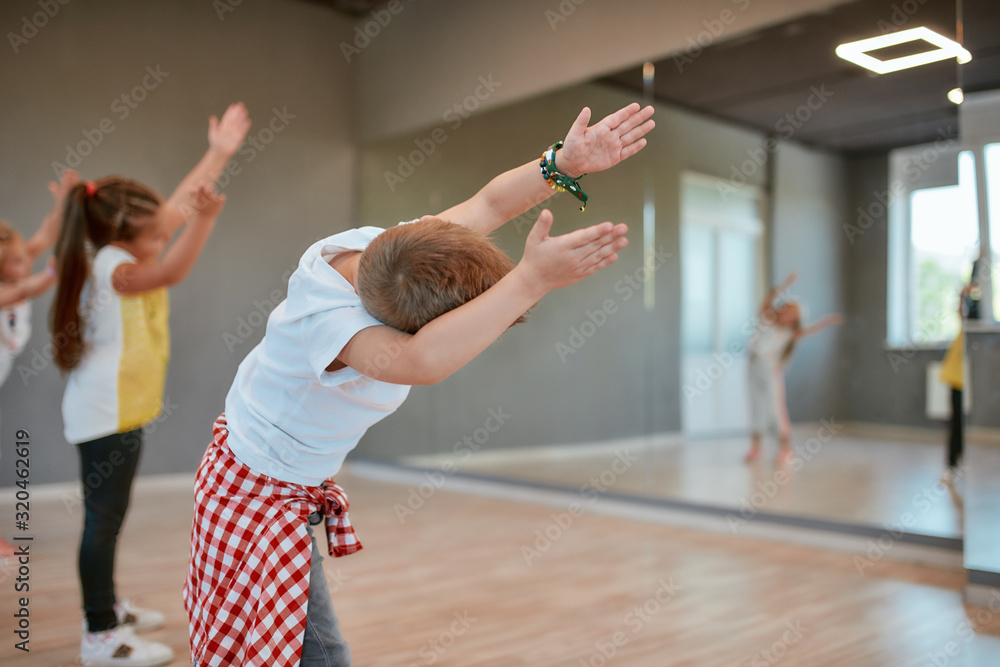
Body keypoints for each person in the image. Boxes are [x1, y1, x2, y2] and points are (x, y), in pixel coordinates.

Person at [184, 102, 655, 667]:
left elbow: (488, 204)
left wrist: (564, 162)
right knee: (313, 655)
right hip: (255, 499)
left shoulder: (386, 255)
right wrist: (531, 281)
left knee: (298, 651)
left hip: (262, 478)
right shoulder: (336, 328)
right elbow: (422, 361)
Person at [51, 103, 251, 667]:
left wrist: (218, 154)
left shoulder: (116, 250)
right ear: (125, 232)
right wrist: (207, 221)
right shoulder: (117, 266)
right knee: (102, 524)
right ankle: (100, 636)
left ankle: (108, 609)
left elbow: (172, 212)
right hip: (104, 414)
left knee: (106, 521)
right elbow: (169, 267)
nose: (167, 229)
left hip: (115, 410)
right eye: (156, 228)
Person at [0, 170, 79, 559]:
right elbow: (27, 288)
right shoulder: (6, 288)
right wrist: (55, 269)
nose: (24, 261)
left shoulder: (16, 263)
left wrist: (61, 204)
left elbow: (45, 237)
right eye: (16, 260)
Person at [744, 271, 843, 466]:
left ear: (794, 319)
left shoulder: (790, 333)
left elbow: (810, 330)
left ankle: (785, 449)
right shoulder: (767, 318)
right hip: (753, 366)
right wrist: (786, 284)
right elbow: (770, 297)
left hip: (770, 368)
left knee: (775, 409)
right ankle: (756, 447)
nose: (786, 314)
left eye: (792, 313)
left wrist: (827, 322)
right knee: (756, 407)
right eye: (786, 309)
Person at [939, 259, 982, 483]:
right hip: (958, 374)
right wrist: (962, 296)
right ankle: (952, 466)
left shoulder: (986, 309)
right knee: (956, 420)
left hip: (977, 372)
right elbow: (961, 316)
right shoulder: (971, 305)